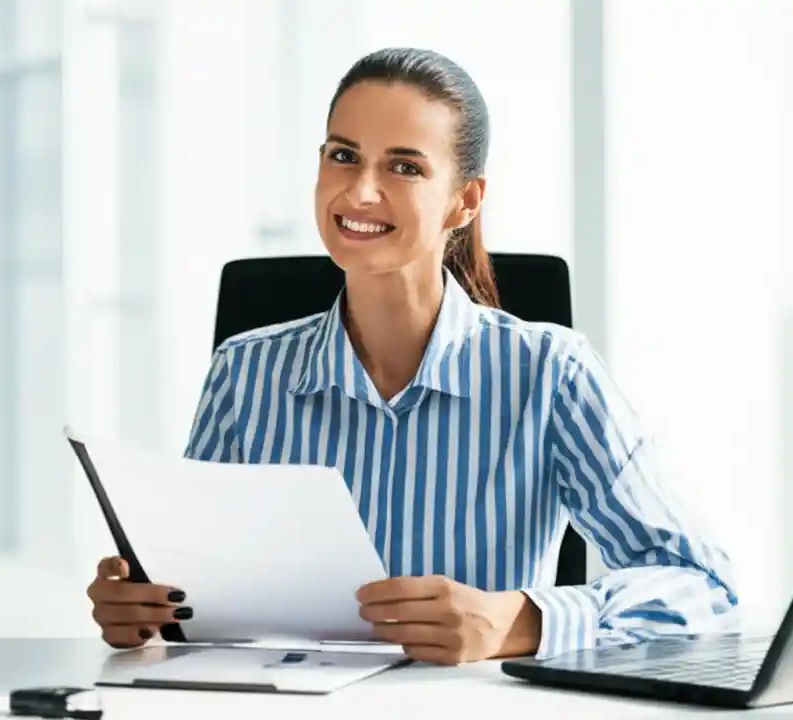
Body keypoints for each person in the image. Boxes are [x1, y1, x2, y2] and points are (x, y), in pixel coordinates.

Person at [86, 47, 738, 665]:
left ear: (466, 199)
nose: (362, 192)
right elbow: (199, 597)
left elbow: (705, 587)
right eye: (344, 156)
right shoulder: (244, 374)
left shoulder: (550, 373)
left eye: (405, 167)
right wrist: (145, 610)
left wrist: (524, 621)